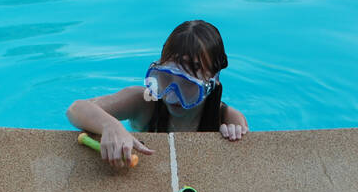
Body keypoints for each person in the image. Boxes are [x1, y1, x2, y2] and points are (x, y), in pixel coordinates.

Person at [66, 20, 248, 168]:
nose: (172, 95)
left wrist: (234, 134)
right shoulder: (143, 102)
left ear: (212, 82)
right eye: (166, 78)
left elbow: (244, 161)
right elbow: (76, 109)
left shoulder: (225, 117)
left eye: (188, 84)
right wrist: (110, 126)